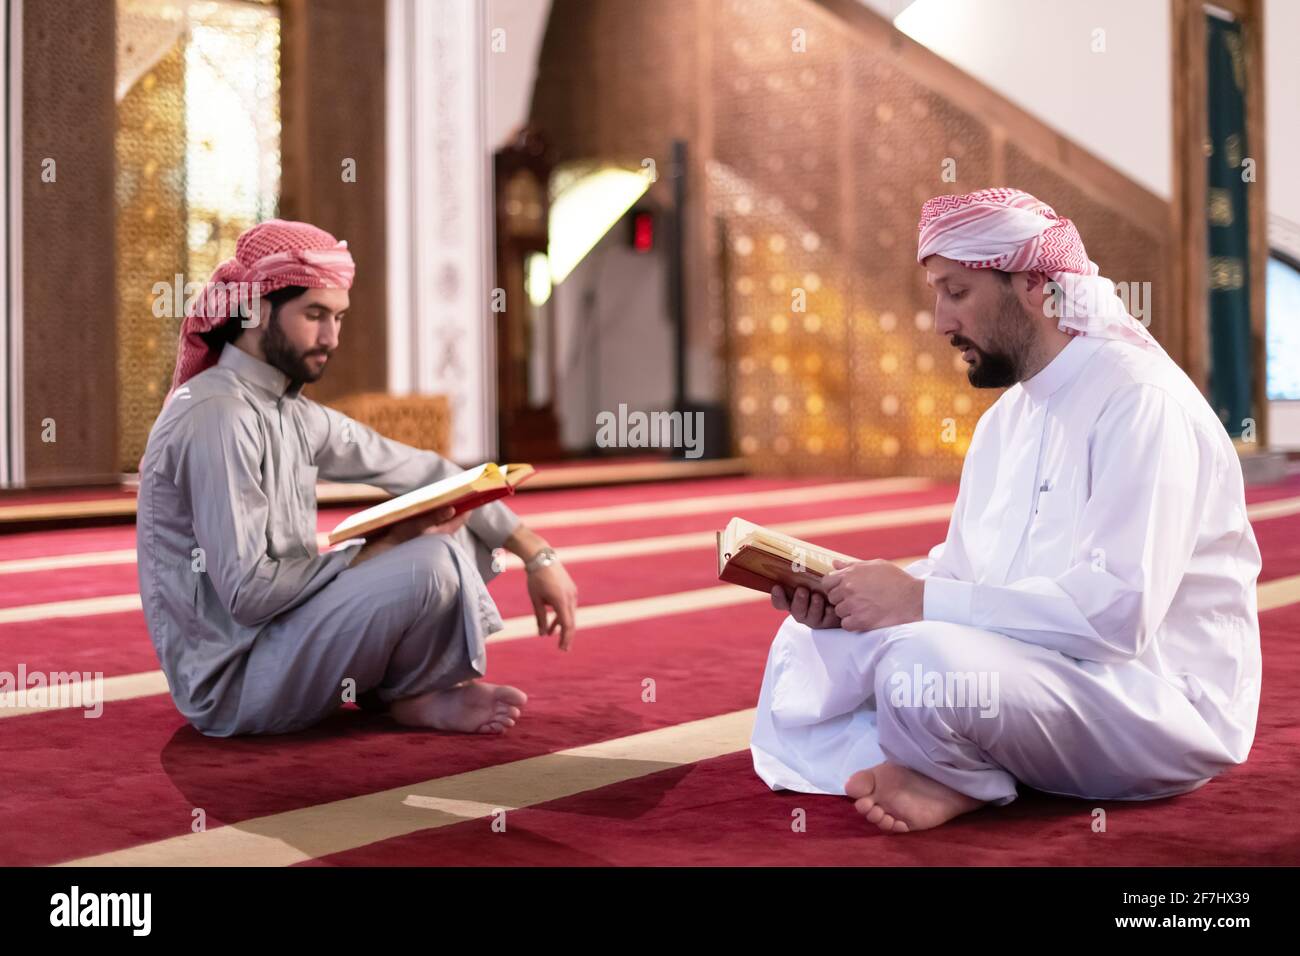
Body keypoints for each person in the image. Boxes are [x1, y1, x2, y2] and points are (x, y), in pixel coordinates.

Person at [750, 188, 1262, 833]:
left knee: (923, 666)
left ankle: (958, 773)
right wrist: (850, 597)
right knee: (811, 640)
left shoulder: (1138, 401)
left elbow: (1117, 616)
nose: (940, 321)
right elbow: (967, 576)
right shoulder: (1005, 423)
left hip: (1145, 698)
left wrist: (919, 603)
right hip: (1037, 674)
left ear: (1032, 284)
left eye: (956, 291)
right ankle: (950, 765)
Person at [137, 219, 578, 738]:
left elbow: (430, 473)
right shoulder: (219, 414)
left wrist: (535, 551)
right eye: (315, 315)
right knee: (428, 560)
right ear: (255, 309)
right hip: (235, 678)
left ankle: (410, 695)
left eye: (339, 317)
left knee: (451, 520)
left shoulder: (287, 410)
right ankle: (413, 690)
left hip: (285, 636)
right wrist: (380, 545)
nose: (331, 338)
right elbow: (249, 596)